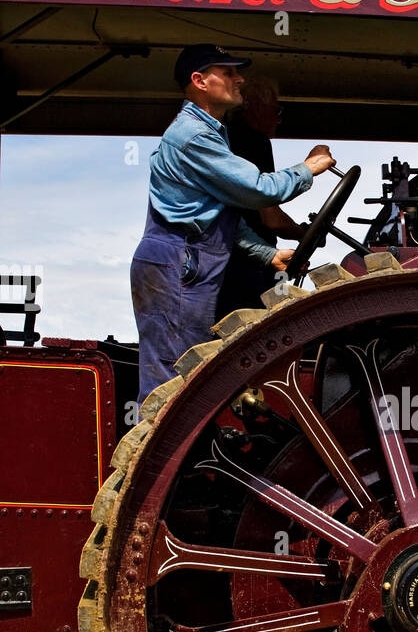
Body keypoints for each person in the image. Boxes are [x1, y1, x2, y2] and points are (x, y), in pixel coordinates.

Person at [130, 44, 334, 404]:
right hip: (181, 261)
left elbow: (218, 216)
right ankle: (154, 456)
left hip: (189, 259)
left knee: (189, 369)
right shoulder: (194, 136)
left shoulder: (212, 133)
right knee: (177, 376)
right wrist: (309, 168)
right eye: (228, 72)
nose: (239, 79)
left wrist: (266, 255)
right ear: (199, 81)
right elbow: (258, 191)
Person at [217, 74, 300, 315]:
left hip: (223, 261)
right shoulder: (254, 141)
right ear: (253, 108)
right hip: (245, 266)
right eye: (276, 109)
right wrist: (302, 233)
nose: (278, 118)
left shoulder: (224, 138)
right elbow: (271, 218)